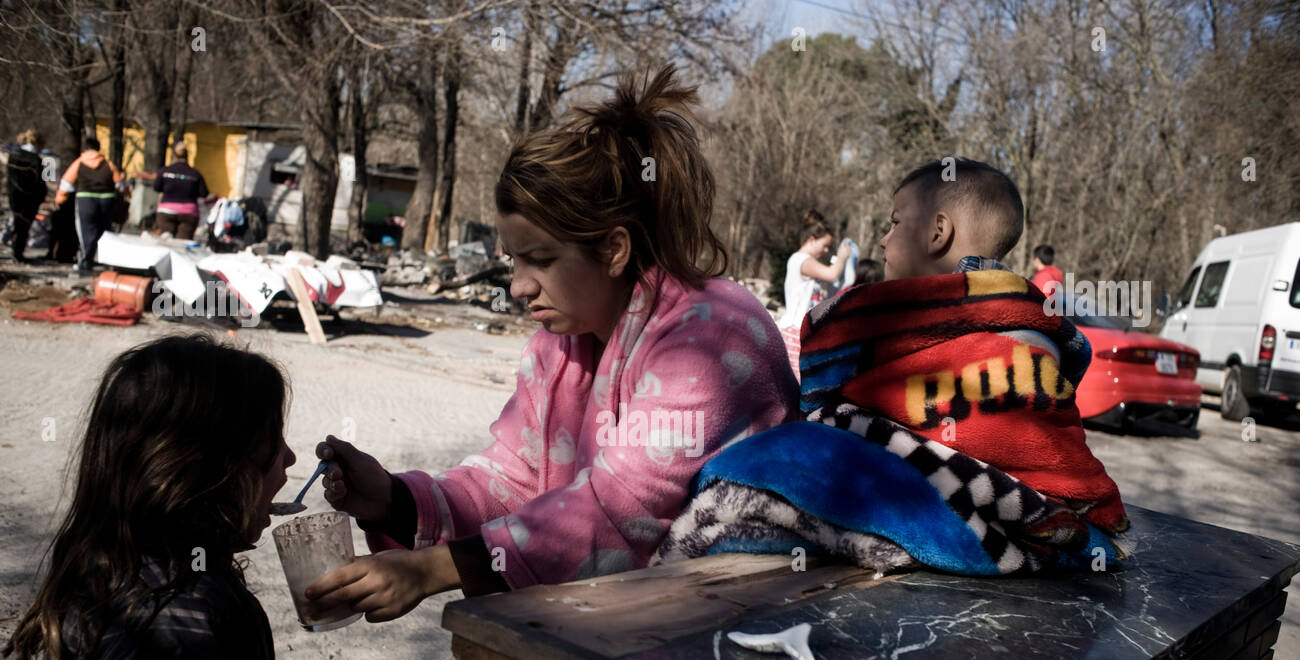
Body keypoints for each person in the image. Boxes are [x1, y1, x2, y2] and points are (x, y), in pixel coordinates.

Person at [303, 66, 799, 622]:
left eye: (540, 260)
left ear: (613, 249)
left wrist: (431, 569)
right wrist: (395, 500)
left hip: (732, 625)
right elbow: (513, 478)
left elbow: (616, 514)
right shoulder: (560, 344)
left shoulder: (710, 339)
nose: (518, 286)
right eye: (514, 260)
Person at [658, 159, 1127, 575]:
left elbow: (824, 400)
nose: (883, 238)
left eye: (895, 221)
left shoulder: (876, 314)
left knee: (779, 454)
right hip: (1052, 508)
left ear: (937, 232)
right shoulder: (1032, 318)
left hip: (945, 494)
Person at [6, 335, 346, 660]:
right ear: (208, 470)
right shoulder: (176, 628)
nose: (291, 457)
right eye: (271, 441)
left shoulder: (119, 568)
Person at [780, 210, 851, 377]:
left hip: (803, 330)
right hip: (794, 329)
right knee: (796, 379)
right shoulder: (800, 260)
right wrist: (842, 257)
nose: (826, 250)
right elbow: (831, 273)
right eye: (824, 245)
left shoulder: (807, 262)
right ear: (812, 240)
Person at [55, 136, 125, 273]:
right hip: (107, 200)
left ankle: (86, 260)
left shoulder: (79, 162)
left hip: (86, 199)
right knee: (105, 231)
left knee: (86, 231)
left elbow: (66, 183)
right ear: (99, 148)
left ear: (85, 148)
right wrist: (125, 195)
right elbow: (120, 184)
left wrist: (60, 199)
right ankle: (108, 263)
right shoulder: (108, 164)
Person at [152, 141, 209, 239]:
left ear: (174, 155)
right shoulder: (195, 174)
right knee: (183, 243)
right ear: (187, 156)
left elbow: (156, 187)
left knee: (166, 241)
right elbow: (204, 193)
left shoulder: (164, 171)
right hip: (188, 212)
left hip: (166, 211)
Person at [6, 129, 47, 262]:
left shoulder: (13, 155)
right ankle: (18, 252)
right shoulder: (38, 160)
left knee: (17, 225)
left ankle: (15, 250)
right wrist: (42, 198)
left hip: (15, 197)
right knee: (23, 227)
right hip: (30, 199)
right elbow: (42, 184)